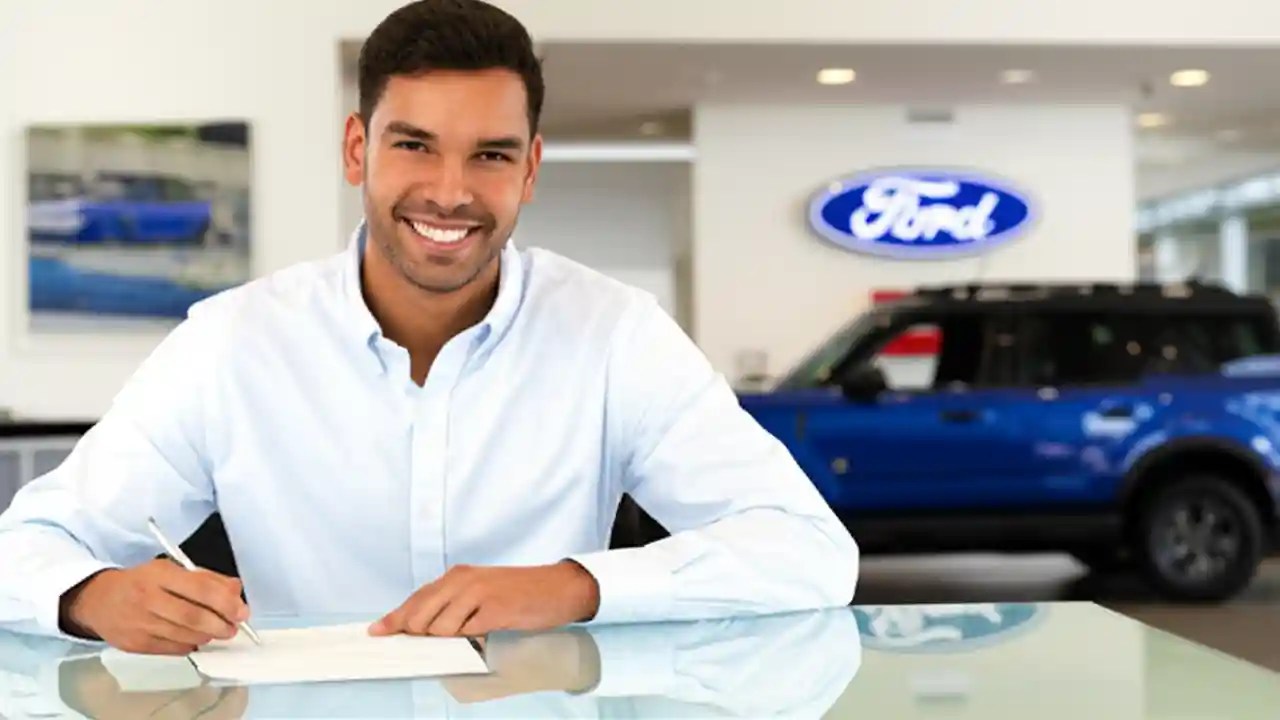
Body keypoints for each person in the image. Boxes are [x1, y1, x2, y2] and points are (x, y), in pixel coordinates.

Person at [0, 0, 858, 655]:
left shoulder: (616, 335)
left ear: (530, 169)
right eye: (414, 145)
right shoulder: (231, 343)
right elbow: (26, 547)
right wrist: (87, 595)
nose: (450, 191)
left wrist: (575, 586)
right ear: (355, 151)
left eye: (490, 154)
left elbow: (811, 552)